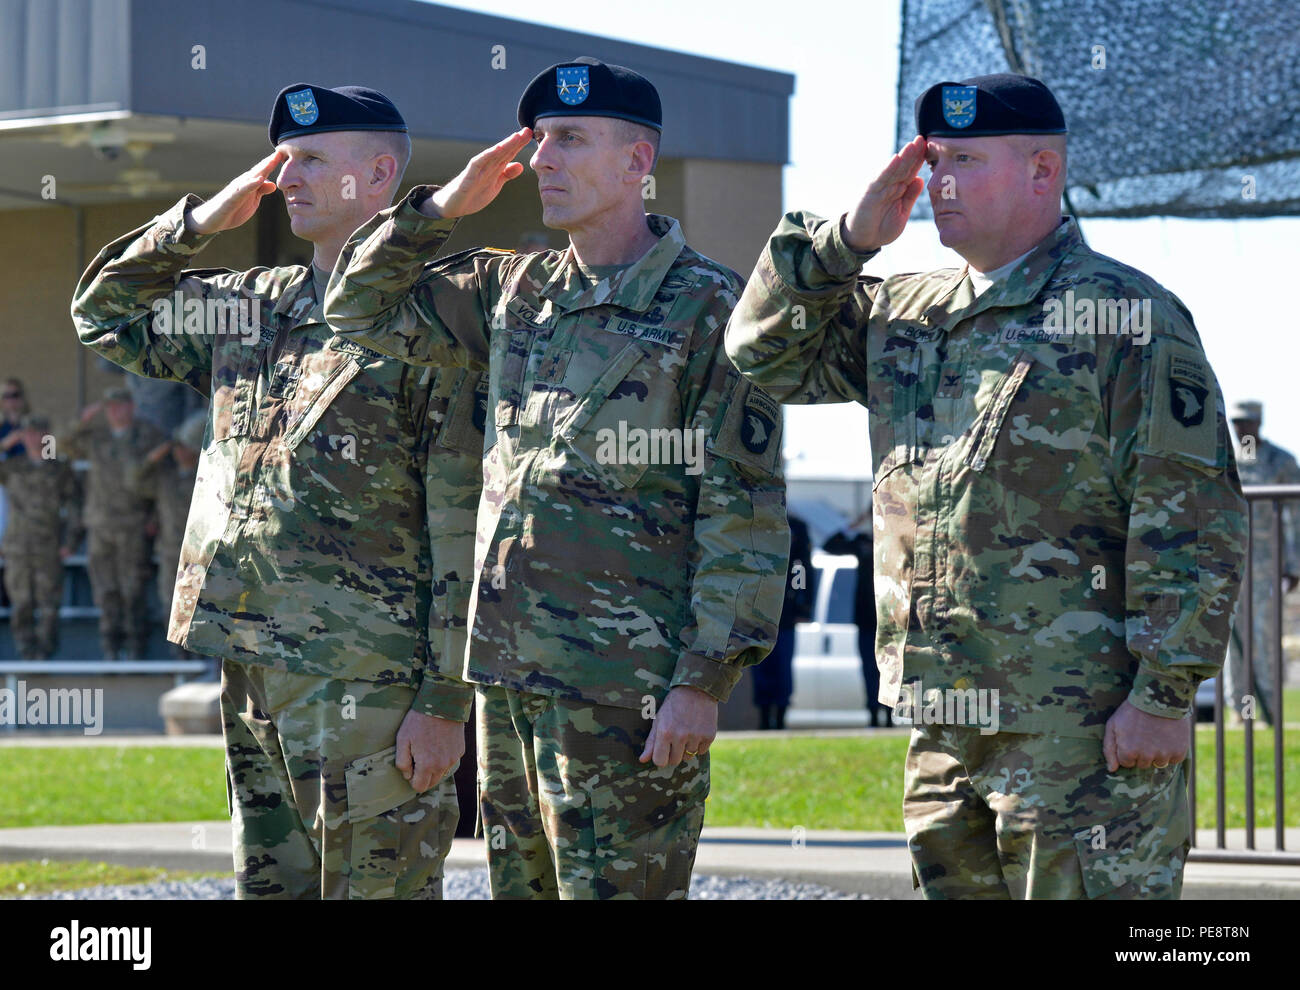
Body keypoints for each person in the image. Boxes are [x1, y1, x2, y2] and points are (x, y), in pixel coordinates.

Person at [725, 73, 1247, 899]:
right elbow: (762, 354)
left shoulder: (1123, 315)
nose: (939, 184)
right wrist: (844, 242)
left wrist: (1163, 692)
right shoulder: (907, 311)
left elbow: (1191, 516)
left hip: (1079, 731)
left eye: (965, 160)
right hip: (943, 723)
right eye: (934, 162)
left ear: (1043, 171)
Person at [325, 56, 789, 899]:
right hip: (507, 678)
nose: (543, 161)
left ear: (637, 162)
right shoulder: (517, 288)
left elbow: (743, 511)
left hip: (630, 692)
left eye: (571, 140)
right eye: (540, 142)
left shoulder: (712, 309)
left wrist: (702, 681)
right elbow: (357, 305)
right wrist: (437, 209)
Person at [71, 83, 479, 899]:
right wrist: (192, 226)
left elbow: (460, 514)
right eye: (283, 160)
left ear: (379, 172)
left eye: (312, 160)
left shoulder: (433, 318)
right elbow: (104, 314)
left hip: (369, 672)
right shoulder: (252, 307)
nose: (287, 177)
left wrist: (444, 699)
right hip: (251, 656)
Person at [64, 387, 165, 660]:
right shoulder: (96, 438)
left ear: (131, 407)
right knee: (105, 591)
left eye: (120, 406)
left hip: (133, 524)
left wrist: (155, 518)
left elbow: (161, 480)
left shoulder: (147, 435)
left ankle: (136, 650)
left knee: (132, 590)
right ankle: (110, 648)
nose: (115, 412)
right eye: (109, 407)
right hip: (100, 525)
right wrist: (82, 420)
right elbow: (62, 445)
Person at [1226, 399, 1300, 725]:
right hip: (1232, 565)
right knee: (1234, 638)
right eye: (1236, 422)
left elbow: (1295, 517)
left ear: (1259, 423)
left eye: (1247, 422)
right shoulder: (1225, 461)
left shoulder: (1281, 462)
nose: (1241, 428)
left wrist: (1295, 564)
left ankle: (1270, 711)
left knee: (1266, 636)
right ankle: (1241, 713)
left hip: (1268, 567)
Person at [0, 415, 81, 659]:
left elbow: (75, 505)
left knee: (48, 604)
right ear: (22, 436)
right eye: (29, 433)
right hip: (18, 545)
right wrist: (5, 443)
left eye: (39, 432)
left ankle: (45, 654)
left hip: (49, 544)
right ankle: (26, 653)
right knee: (21, 603)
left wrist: (71, 541)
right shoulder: (13, 466)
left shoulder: (59, 467)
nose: (34, 438)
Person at [135, 410, 205, 662]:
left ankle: (199, 659)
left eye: (185, 446)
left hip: (198, 554)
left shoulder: (205, 475)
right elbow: (135, 482)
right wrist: (156, 456)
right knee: (171, 604)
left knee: (197, 606)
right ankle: (179, 657)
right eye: (177, 447)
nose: (180, 451)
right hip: (169, 552)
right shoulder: (165, 478)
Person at [823, 513, 887, 727]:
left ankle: (887, 716)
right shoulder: (861, 542)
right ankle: (873, 714)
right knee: (869, 669)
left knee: (887, 669)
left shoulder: (889, 539)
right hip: (866, 619)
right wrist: (853, 525)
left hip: (888, 619)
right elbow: (829, 545)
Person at [753, 510, 814, 729]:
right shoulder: (755, 520)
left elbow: (802, 566)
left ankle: (779, 717)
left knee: (782, 666)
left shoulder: (795, 525)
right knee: (759, 664)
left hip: (785, 611)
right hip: (757, 608)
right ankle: (763, 716)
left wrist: (802, 604)